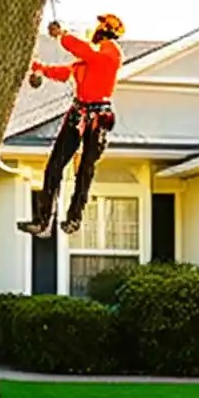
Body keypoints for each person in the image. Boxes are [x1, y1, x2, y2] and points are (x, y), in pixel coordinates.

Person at [18, 13, 125, 237]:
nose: (93, 31)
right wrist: (37, 68)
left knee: (85, 169)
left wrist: (63, 35)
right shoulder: (87, 61)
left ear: (105, 30)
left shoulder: (111, 54)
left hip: (97, 117)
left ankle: (74, 218)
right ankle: (43, 221)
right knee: (54, 165)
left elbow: (86, 52)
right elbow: (64, 72)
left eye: (97, 27)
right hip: (78, 114)